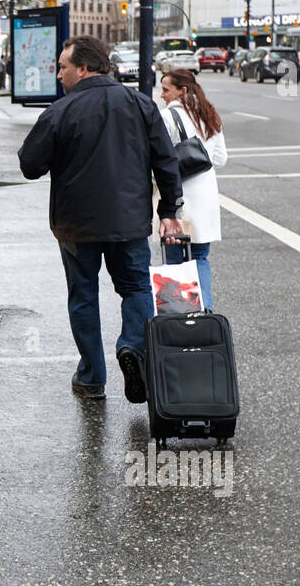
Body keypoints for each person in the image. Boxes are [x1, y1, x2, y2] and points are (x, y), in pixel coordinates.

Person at [17, 35, 183, 404]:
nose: (57, 74)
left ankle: (92, 377)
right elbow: (166, 160)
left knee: (83, 297)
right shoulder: (139, 104)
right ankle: (133, 349)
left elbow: (29, 165)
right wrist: (169, 210)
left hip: (76, 227)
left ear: (83, 68)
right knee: (136, 289)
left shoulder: (61, 111)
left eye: (62, 67)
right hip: (129, 223)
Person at [155, 69, 228, 309]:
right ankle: (207, 312)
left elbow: (158, 160)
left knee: (175, 261)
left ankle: (181, 318)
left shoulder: (166, 117)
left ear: (182, 91)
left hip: (178, 199)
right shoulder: (210, 115)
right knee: (200, 258)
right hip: (206, 197)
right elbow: (220, 159)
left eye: (166, 89)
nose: (162, 94)